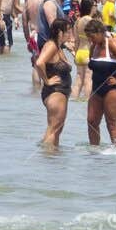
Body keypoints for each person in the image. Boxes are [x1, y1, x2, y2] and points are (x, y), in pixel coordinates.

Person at [83, 18, 116, 146]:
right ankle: (94, 154)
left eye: (92, 36)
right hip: (97, 87)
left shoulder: (111, 44)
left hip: (113, 87)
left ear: (101, 32)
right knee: (92, 121)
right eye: (88, 37)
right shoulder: (93, 46)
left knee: (111, 123)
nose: (91, 40)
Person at [34, 16, 72, 150]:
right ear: (60, 32)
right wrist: (47, 80)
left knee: (57, 128)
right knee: (54, 128)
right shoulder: (52, 46)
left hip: (59, 92)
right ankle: (47, 156)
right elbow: (39, 63)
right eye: (68, 31)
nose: (70, 34)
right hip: (55, 92)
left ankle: (52, 158)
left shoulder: (58, 46)